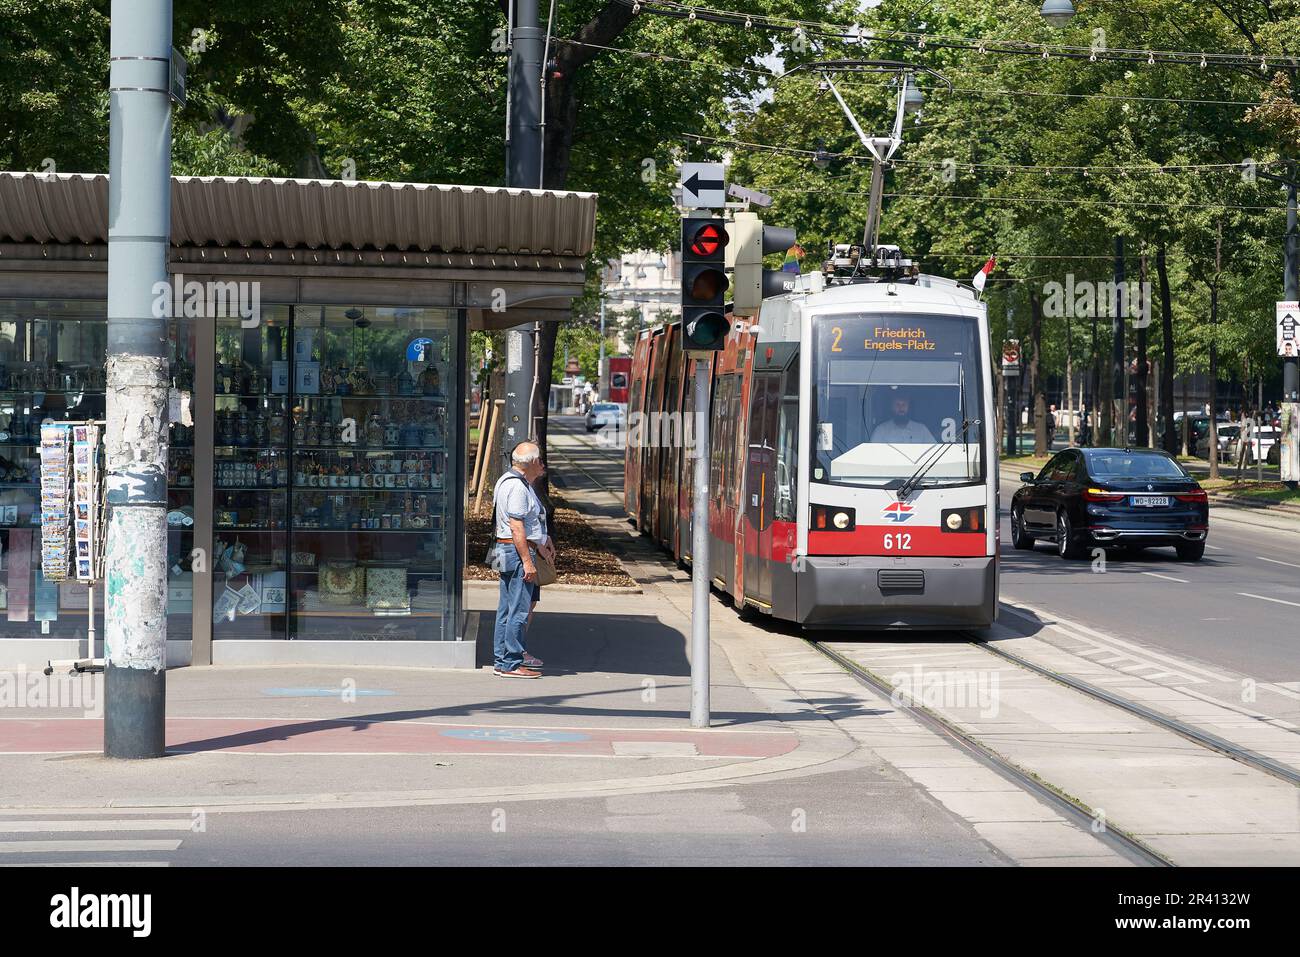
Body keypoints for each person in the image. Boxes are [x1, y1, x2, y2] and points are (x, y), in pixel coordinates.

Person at [491, 441, 555, 678]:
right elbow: (517, 528)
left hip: (507, 550)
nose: (541, 464)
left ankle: (502, 660)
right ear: (529, 463)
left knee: (507, 609)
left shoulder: (508, 481)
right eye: (539, 460)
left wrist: (542, 538)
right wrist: (528, 561)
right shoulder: (517, 488)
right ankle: (511, 663)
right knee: (518, 609)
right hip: (516, 552)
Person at [870, 392, 936, 444]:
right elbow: (873, 454)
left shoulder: (921, 430)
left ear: (909, 407)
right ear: (892, 407)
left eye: (904, 404)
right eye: (897, 404)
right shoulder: (881, 431)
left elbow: (934, 451)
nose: (901, 408)